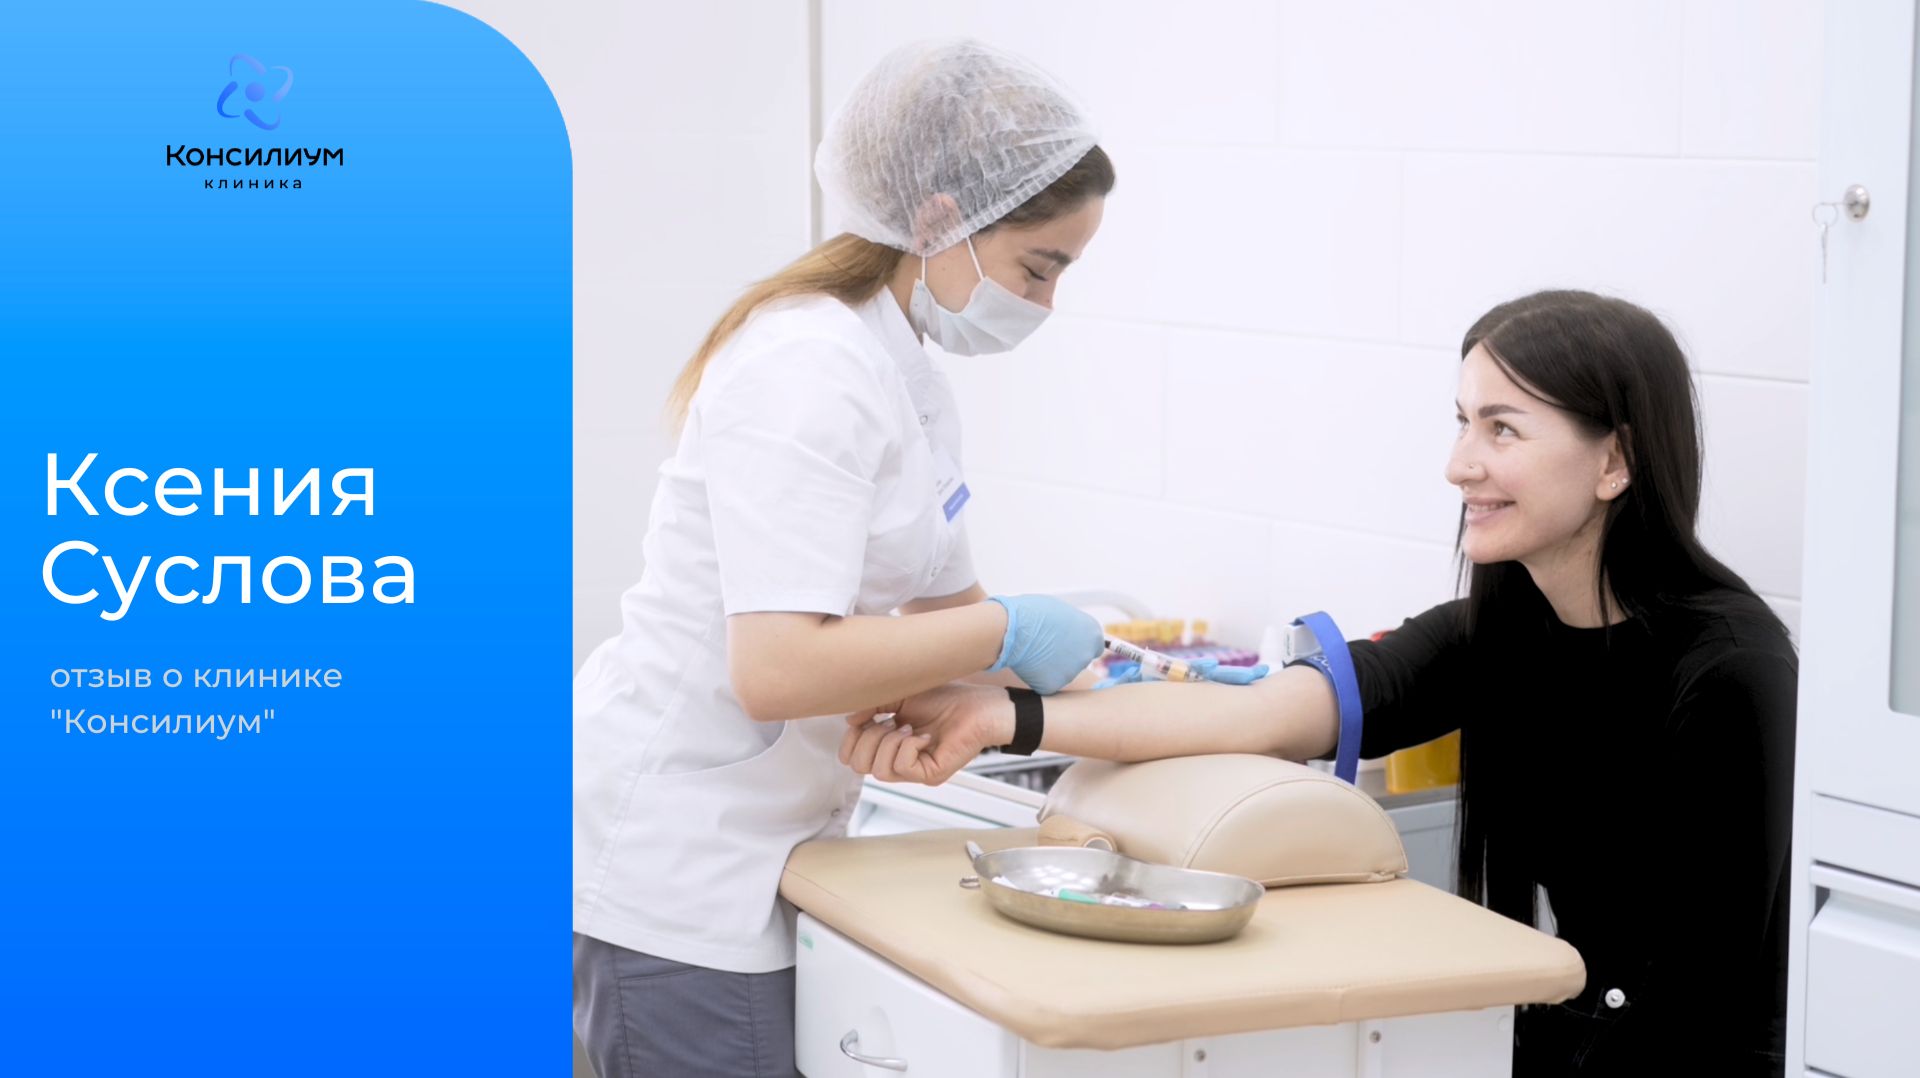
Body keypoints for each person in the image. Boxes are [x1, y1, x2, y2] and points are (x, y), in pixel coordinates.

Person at [845, 290, 1797, 1076]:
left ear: (1615, 460)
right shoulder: (1498, 633)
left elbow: (1700, 995)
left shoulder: (1731, 670)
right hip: (1572, 1036)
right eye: (1463, 422)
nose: (1459, 465)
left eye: (1502, 429)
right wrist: (1001, 713)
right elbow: (1254, 716)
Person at [573, 38, 1203, 1078]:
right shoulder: (806, 366)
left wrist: (1134, 695)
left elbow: (944, 630)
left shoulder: (905, 377)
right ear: (940, 220)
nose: (1046, 304)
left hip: (782, 844)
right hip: (686, 859)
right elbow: (778, 667)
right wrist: (1009, 631)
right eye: (1039, 266)